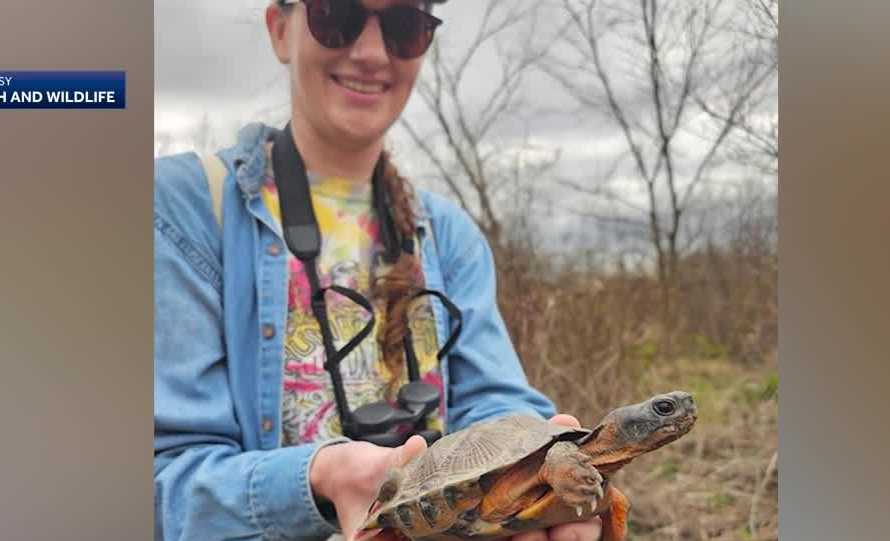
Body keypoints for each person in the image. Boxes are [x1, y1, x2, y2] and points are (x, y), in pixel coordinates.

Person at [154, 1, 603, 540]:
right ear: (279, 29)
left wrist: (536, 451)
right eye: (336, 15)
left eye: (403, 27)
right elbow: (160, 483)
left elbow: (495, 401)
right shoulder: (183, 207)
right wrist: (316, 481)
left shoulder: (447, 233)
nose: (370, 53)